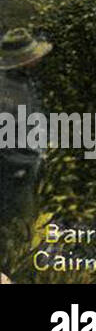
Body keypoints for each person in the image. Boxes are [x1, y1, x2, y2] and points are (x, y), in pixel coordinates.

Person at [0, 28, 52, 222]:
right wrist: (26, 161)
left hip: (27, 163)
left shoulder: (24, 81)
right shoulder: (7, 91)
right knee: (17, 219)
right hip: (14, 169)